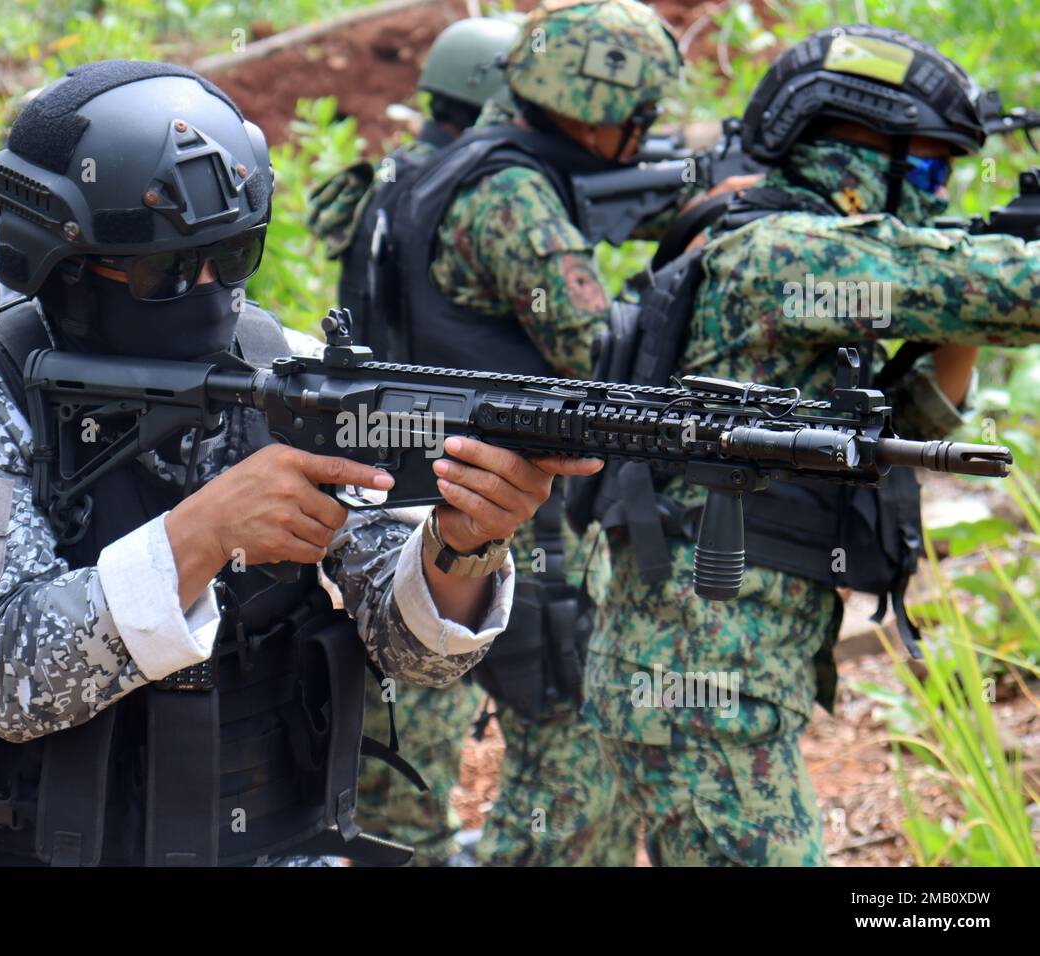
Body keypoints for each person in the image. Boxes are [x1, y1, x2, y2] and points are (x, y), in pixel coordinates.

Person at [0, 60, 600, 866]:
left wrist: (461, 545)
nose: (212, 291)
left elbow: (415, 654)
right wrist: (204, 533)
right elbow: (10, 681)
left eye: (235, 253)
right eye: (168, 271)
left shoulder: (284, 373)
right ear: (63, 263)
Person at [577, 24, 1040, 865]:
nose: (935, 197)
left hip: (723, 675)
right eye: (930, 170)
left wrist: (958, 321)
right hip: (702, 679)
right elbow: (1020, 289)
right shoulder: (784, 252)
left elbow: (905, 430)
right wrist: (981, 275)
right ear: (855, 150)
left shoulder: (780, 251)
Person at [356, 0, 707, 867]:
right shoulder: (513, 191)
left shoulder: (431, 167)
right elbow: (599, 352)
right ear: (600, 106)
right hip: (508, 512)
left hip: (406, 494)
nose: (646, 125)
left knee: (400, 783)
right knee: (572, 769)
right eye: (641, 110)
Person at [308, 13, 519, 867]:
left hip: (386, 476)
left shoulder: (384, 180)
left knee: (400, 752)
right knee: (420, 763)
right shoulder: (482, 194)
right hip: (449, 484)